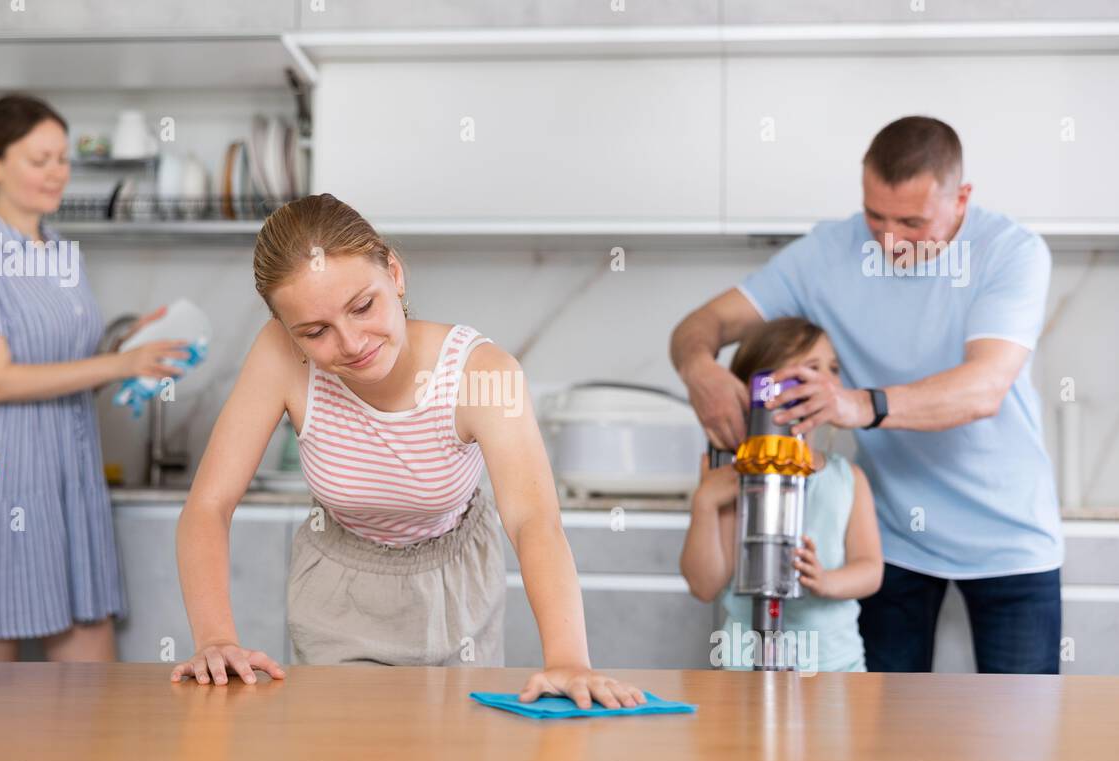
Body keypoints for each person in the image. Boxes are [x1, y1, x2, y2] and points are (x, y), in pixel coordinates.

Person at [171, 193, 646, 710]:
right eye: (315, 332)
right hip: (337, 589)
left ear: (394, 274)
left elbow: (535, 520)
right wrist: (215, 638)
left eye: (363, 306)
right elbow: (208, 505)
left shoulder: (481, 372)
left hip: (457, 589)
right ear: (288, 333)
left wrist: (570, 659)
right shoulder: (279, 355)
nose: (351, 343)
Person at [670, 116, 1063, 674]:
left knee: (1020, 736)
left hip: (1011, 538)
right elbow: (703, 323)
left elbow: (984, 388)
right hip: (896, 536)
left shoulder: (1011, 253)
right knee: (885, 741)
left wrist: (858, 404)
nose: (888, 239)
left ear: (962, 199)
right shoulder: (828, 253)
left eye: (911, 221)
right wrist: (697, 367)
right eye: (875, 215)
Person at [0, 94, 189, 661]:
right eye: (38, 159)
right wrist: (117, 364)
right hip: (3, 481)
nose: (56, 173)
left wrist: (126, 346)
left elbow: (69, 372)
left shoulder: (64, 256)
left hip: (72, 477)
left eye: (63, 158)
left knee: (92, 693)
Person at [679, 317, 883, 672]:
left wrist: (826, 581)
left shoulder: (847, 479)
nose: (829, 382)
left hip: (835, 670)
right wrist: (706, 503)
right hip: (744, 672)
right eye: (809, 370)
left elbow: (870, 570)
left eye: (833, 369)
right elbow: (704, 585)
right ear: (760, 391)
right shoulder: (730, 475)